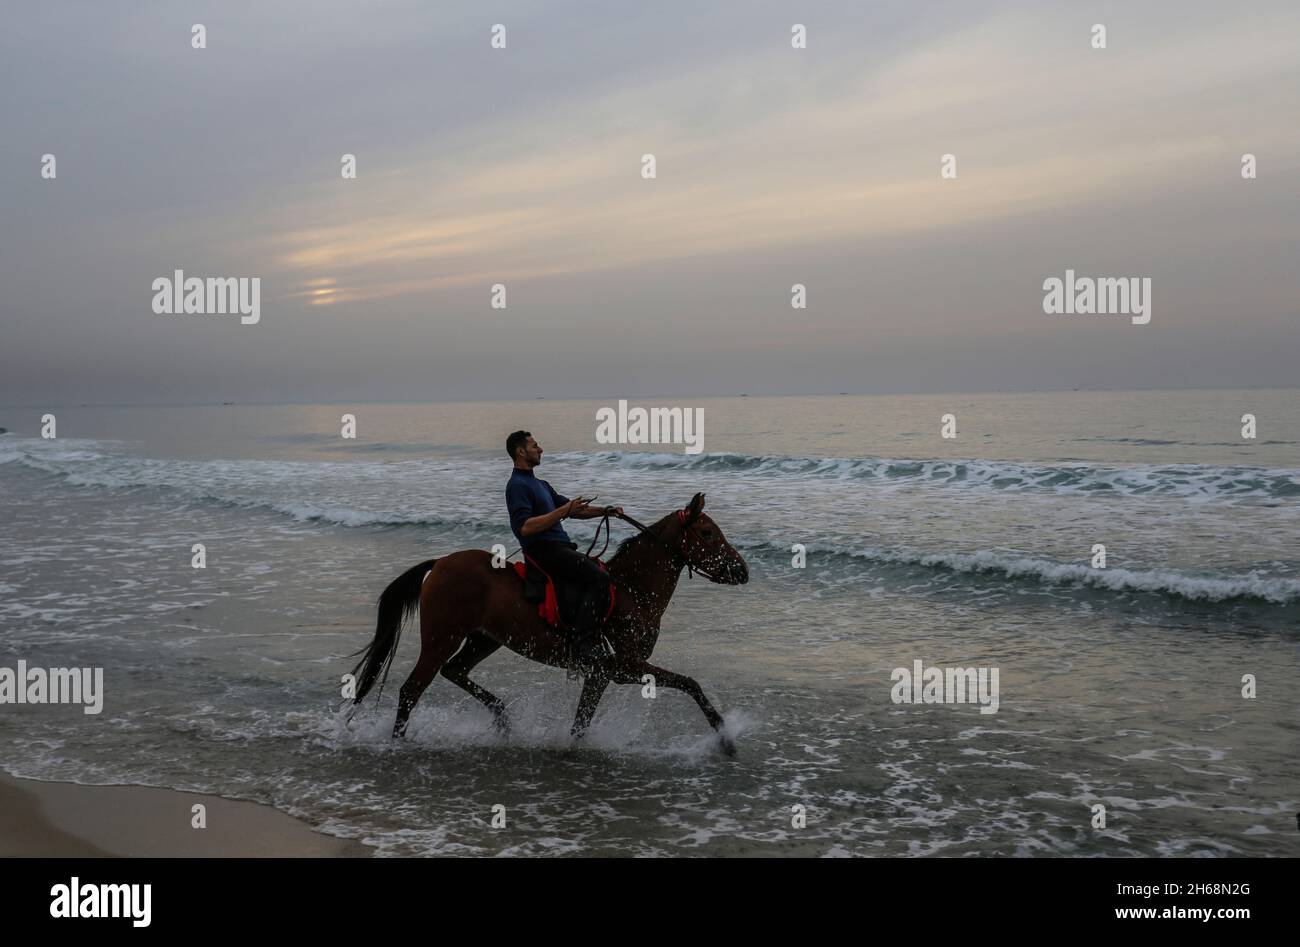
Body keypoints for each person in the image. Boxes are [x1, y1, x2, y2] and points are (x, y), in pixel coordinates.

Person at [505, 430, 622, 663]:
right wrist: (562, 511)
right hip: (543, 551)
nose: (540, 449)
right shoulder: (517, 485)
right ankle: (582, 644)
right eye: (535, 445)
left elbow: (574, 510)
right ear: (520, 451)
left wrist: (605, 511)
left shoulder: (541, 484)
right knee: (599, 579)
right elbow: (525, 528)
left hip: (560, 547)